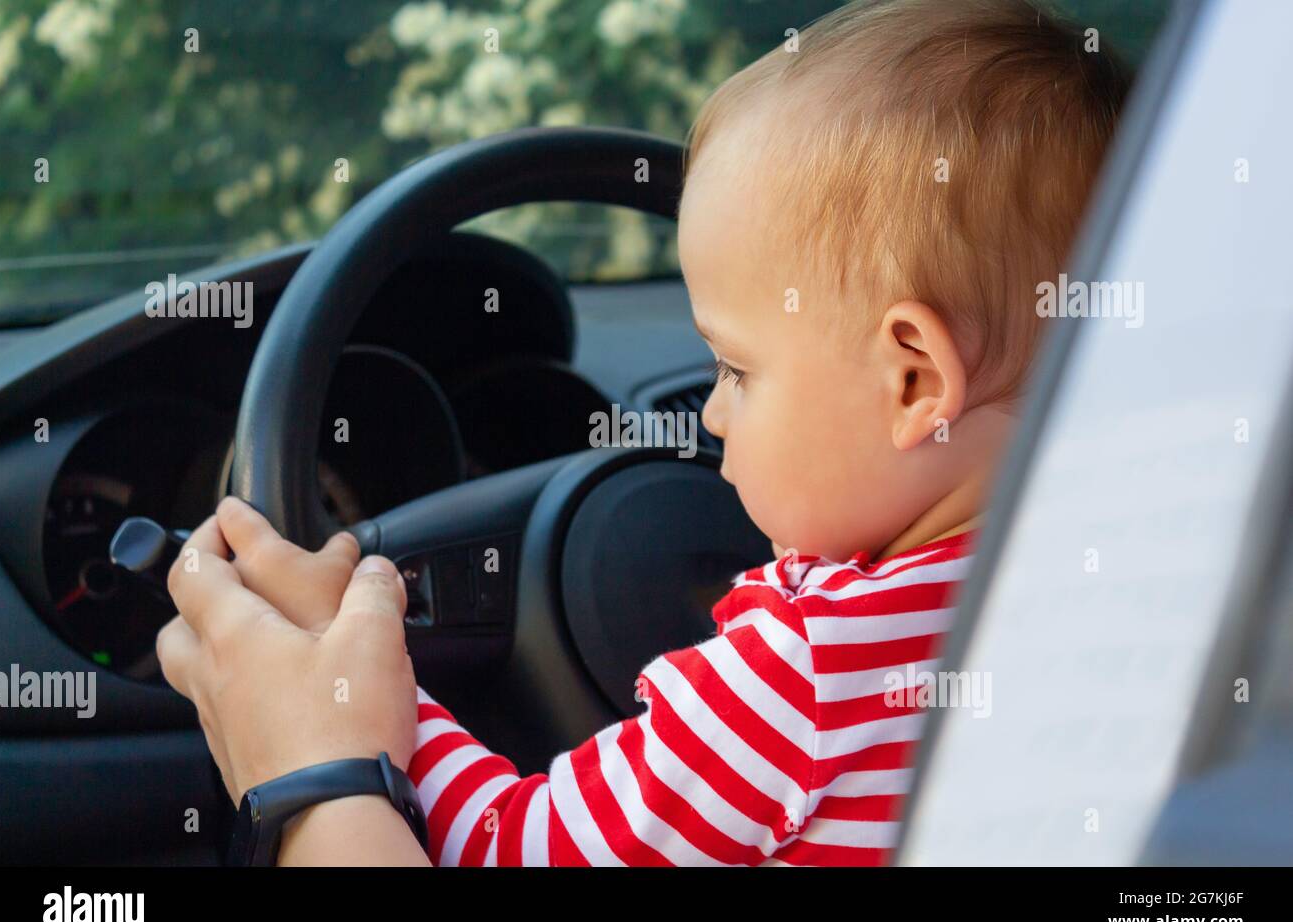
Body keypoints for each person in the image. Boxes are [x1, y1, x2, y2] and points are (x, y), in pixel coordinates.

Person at [155, 0, 1128, 865]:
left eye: (737, 368)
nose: (706, 413)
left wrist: (361, 697)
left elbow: (504, 843)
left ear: (914, 378)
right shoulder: (1140, 580)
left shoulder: (803, 677)